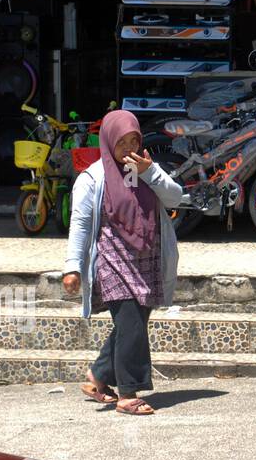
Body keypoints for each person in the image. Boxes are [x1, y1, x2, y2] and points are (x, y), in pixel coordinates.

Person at [62, 110, 184, 416]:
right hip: (112, 259)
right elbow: (79, 224)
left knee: (133, 323)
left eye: (134, 140)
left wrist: (150, 172)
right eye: (121, 142)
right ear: (108, 140)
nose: (128, 147)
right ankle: (128, 394)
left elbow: (175, 198)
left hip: (147, 259)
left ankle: (98, 376)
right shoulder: (93, 178)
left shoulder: (146, 169)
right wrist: (72, 266)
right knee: (130, 321)